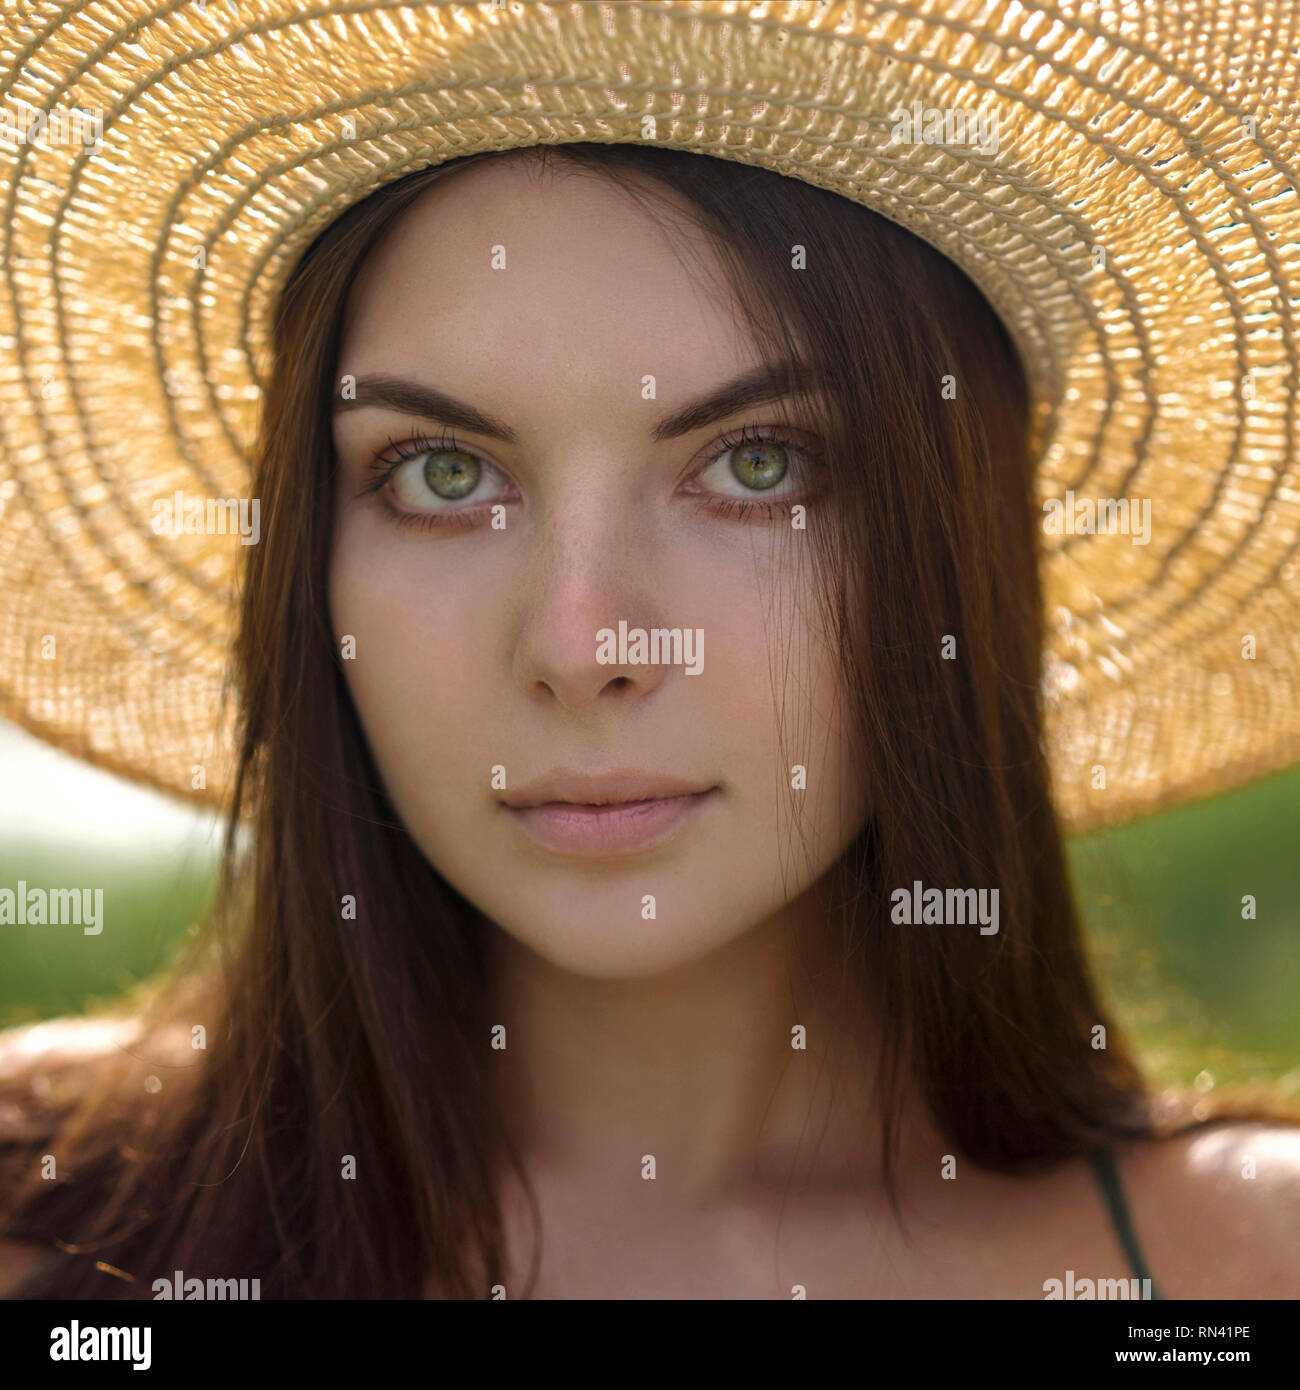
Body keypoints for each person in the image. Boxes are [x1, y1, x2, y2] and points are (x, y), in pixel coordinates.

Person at [1, 6, 1298, 1301]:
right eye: (442, 474)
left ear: (958, 545)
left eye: (758, 464)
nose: (583, 643)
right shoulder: (42, 1216)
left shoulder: (1243, 1264)